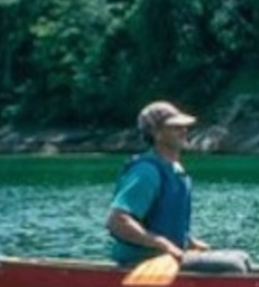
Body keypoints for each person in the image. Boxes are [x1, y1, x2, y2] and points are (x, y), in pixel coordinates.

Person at [105, 101, 249, 272]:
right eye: (175, 127)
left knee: (242, 258)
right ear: (156, 133)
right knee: (234, 266)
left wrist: (190, 242)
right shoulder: (146, 172)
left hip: (166, 258)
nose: (184, 130)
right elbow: (117, 221)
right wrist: (163, 244)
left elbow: (162, 221)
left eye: (184, 126)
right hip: (143, 263)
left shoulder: (176, 170)